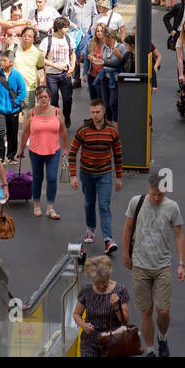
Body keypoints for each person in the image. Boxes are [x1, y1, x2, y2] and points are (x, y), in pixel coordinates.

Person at [122, 168, 185, 358]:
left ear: (165, 190)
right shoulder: (136, 202)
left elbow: (179, 235)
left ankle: (162, 336)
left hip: (162, 265)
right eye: (153, 194)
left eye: (160, 195)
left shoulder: (172, 207)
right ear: (148, 189)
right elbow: (127, 229)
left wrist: (181, 263)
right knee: (146, 311)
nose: (156, 198)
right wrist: (126, 254)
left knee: (163, 310)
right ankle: (150, 349)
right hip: (140, 265)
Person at [68, 97, 124, 253]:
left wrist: (118, 177)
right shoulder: (83, 130)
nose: (95, 115)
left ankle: (108, 239)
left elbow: (118, 155)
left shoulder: (112, 131)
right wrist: (73, 176)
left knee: (104, 205)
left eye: (98, 112)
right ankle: (90, 228)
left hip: (105, 174)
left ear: (104, 111)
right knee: (89, 203)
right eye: (92, 112)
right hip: (86, 173)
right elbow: (72, 153)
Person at [19, 85, 66, 219]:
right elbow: (26, 132)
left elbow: (62, 131)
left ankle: (50, 208)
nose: (43, 99)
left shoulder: (57, 112)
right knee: (38, 179)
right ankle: (37, 205)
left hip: (53, 150)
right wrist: (21, 148)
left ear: (49, 98)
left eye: (45, 97)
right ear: (37, 99)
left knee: (52, 178)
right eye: (40, 97)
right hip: (35, 151)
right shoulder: (31, 113)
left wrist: (66, 148)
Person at [72, 255, 131, 358]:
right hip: (90, 342)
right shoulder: (86, 291)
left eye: (105, 282)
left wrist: (117, 307)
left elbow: (125, 320)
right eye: (97, 283)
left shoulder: (120, 290)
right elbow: (76, 314)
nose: (102, 286)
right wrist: (83, 325)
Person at [0, 53, 27, 164]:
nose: (2, 63)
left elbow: (23, 91)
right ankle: (0, 157)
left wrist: (17, 102)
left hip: (13, 110)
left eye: (4, 61)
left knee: (12, 133)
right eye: (1, 60)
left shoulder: (17, 75)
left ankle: (11, 156)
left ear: (11, 62)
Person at [41, 16, 77, 124]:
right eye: (66, 27)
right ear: (59, 28)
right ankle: (55, 120)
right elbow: (42, 59)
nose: (68, 29)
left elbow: (72, 54)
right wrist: (57, 66)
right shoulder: (47, 40)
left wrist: (73, 67)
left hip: (65, 74)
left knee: (67, 99)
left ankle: (67, 117)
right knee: (54, 100)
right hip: (51, 75)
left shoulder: (68, 39)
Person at [64, 0, 98, 88]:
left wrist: (93, 26)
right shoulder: (71, 2)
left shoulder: (91, 1)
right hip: (75, 35)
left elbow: (95, 15)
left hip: (88, 34)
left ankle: (90, 76)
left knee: (88, 56)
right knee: (75, 55)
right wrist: (73, 26)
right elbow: (64, 16)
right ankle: (77, 79)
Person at [95, 25, 130, 121]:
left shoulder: (121, 47)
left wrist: (119, 55)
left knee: (113, 102)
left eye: (104, 38)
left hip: (115, 78)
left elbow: (124, 62)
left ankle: (116, 122)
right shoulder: (104, 47)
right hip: (105, 78)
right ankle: (108, 122)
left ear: (110, 37)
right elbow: (104, 60)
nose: (102, 40)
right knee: (106, 104)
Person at [13, 25, 45, 111]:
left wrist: (38, 87)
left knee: (27, 115)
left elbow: (39, 68)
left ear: (34, 39)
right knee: (12, 114)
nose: (26, 38)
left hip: (28, 88)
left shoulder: (37, 53)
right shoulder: (14, 49)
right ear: (21, 37)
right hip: (13, 87)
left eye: (30, 36)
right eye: (24, 35)